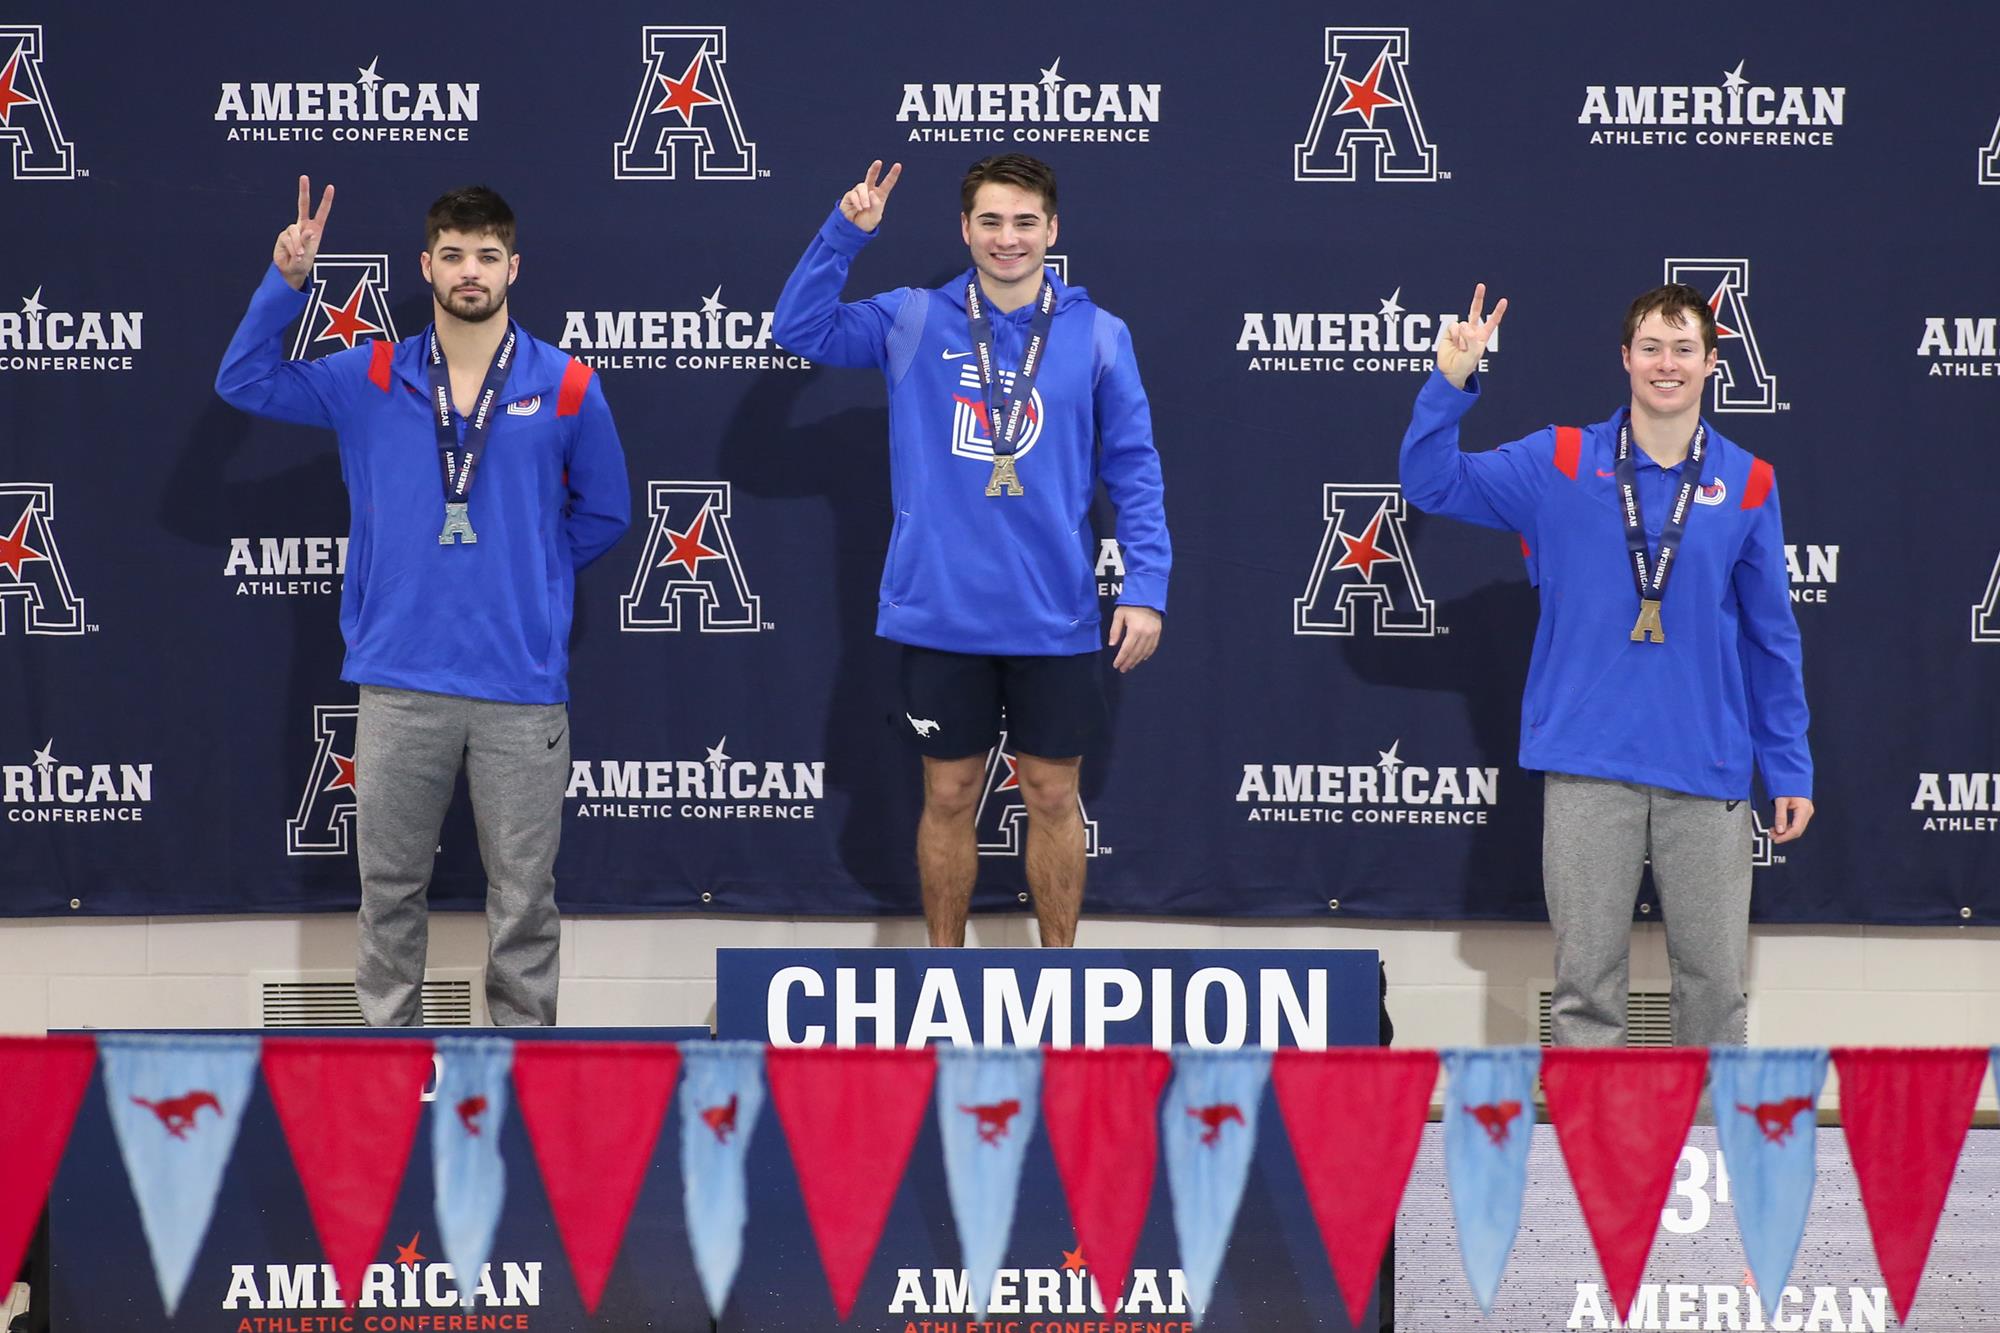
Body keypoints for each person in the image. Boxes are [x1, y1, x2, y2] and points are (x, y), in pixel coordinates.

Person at [216, 179, 630, 1025]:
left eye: (486, 256)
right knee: (390, 895)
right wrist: (284, 283)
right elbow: (243, 381)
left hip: (520, 686)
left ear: (514, 266)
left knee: (523, 902)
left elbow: (608, 512)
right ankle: (385, 1080)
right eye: (453, 255)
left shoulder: (571, 383)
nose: (469, 271)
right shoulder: (368, 373)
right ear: (426, 266)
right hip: (400, 679)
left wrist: (529, 572)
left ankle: (525, 1078)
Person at [773, 154, 1169, 948]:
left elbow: (1136, 468)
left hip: (1053, 613)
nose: (1008, 238)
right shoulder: (913, 318)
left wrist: (1147, 585)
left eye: (1025, 221)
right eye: (990, 221)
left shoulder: (1097, 334)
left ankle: (1060, 983)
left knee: (1055, 795)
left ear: (1052, 230)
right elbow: (798, 328)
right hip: (942, 609)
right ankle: (945, 982)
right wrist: (844, 235)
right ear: (964, 228)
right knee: (949, 792)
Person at [1400, 283, 1813, 1045]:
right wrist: (1451, 380)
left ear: (1712, 364)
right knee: (1587, 990)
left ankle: (1712, 1159)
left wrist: (1787, 769)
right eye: (1651, 347)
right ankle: (1593, 1162)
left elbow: (1771, 636)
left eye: (1684, 349)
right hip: (1588, 763)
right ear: (1625, 359)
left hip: (1709, 764)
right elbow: (1431, 482)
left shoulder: (1750, 480)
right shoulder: (1558, 459)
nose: (1667, 364)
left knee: (1715, 992)